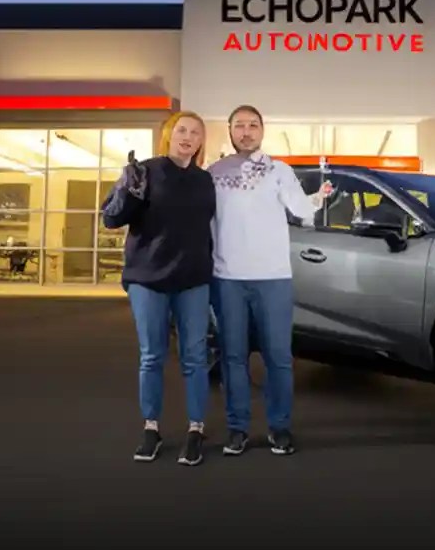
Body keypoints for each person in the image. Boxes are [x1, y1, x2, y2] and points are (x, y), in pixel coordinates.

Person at [208, 104, 332, 456]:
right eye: (239, 125)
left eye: (253, 125)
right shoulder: (213, 173)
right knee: (233, 357)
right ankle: (237, 429)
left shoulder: (280, 171)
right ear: (230, 130)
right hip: (227, 277)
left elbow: (301, 209)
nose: (246, 131)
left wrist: (318, 198)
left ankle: (280, 427)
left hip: (273, 277)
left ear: (262, 130)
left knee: (278, 357)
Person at [101, 111, 216, 466]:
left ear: (201, 141)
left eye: (195, 132)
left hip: (193, 279)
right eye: (181, 130)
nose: (187, 136)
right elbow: (111, 218)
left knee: (195, 357)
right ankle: (151, 427)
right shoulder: (146, 172)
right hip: (148, 278)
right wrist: (127, 191)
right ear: (168, 134)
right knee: (152, 356)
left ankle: (196, 428)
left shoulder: (204, 181)